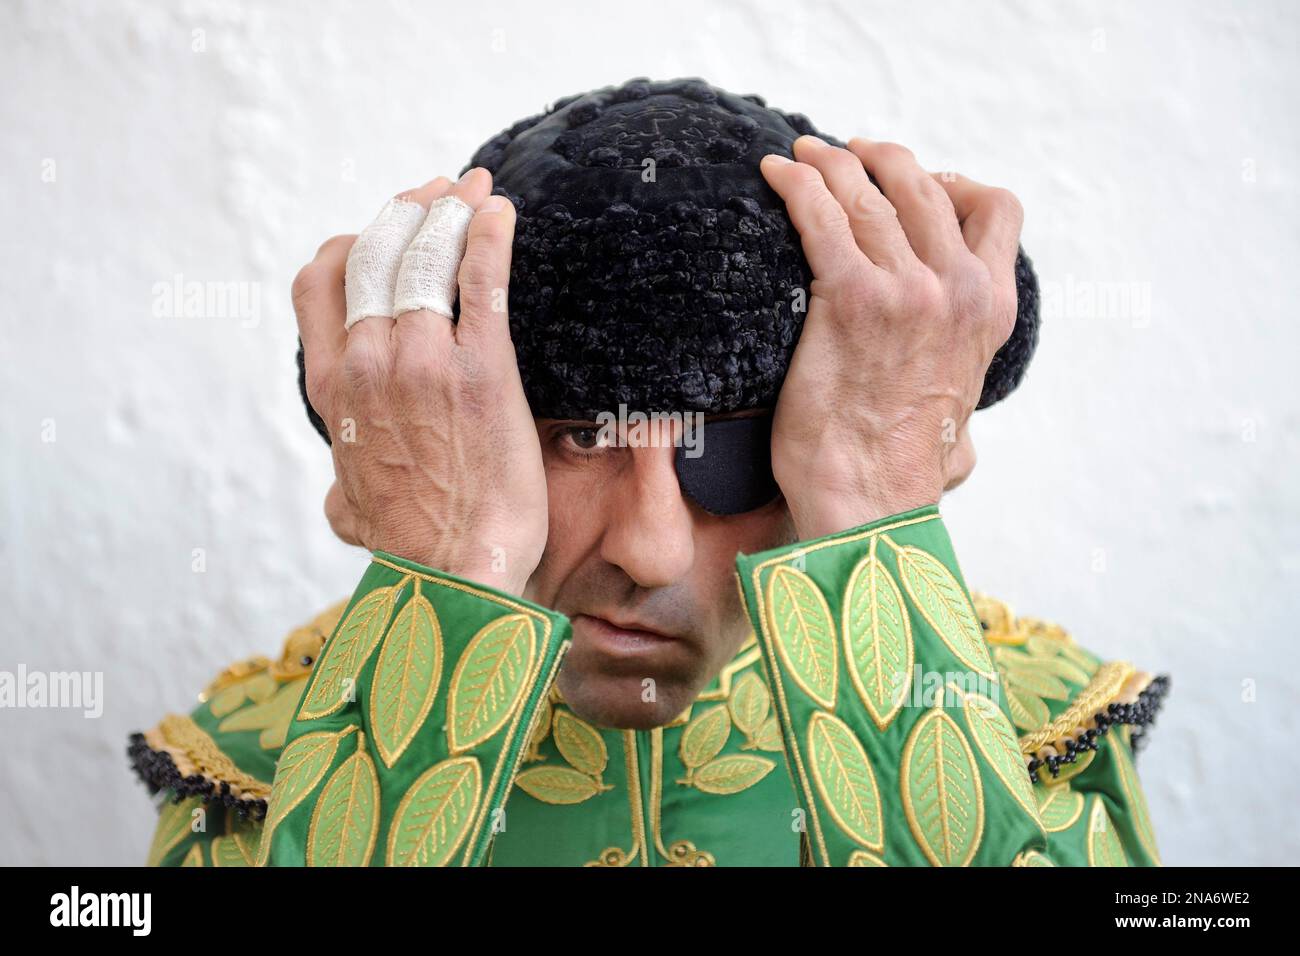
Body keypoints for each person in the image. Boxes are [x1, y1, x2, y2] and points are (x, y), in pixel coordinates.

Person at [129, 77, 1168, 867]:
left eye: (735, 448)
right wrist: (448, 567)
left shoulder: (1044, 729)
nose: (649, 546)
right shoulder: (252, 768)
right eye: (580, 435)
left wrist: (871, 513)